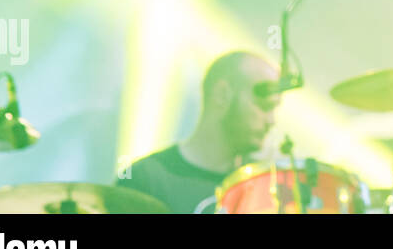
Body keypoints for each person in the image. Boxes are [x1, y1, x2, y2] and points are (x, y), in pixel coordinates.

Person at [117, 51, 281, 213]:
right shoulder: (145, 179)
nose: (271, 121)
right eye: (264, 107)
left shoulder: (269, 188)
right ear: (222, 94)